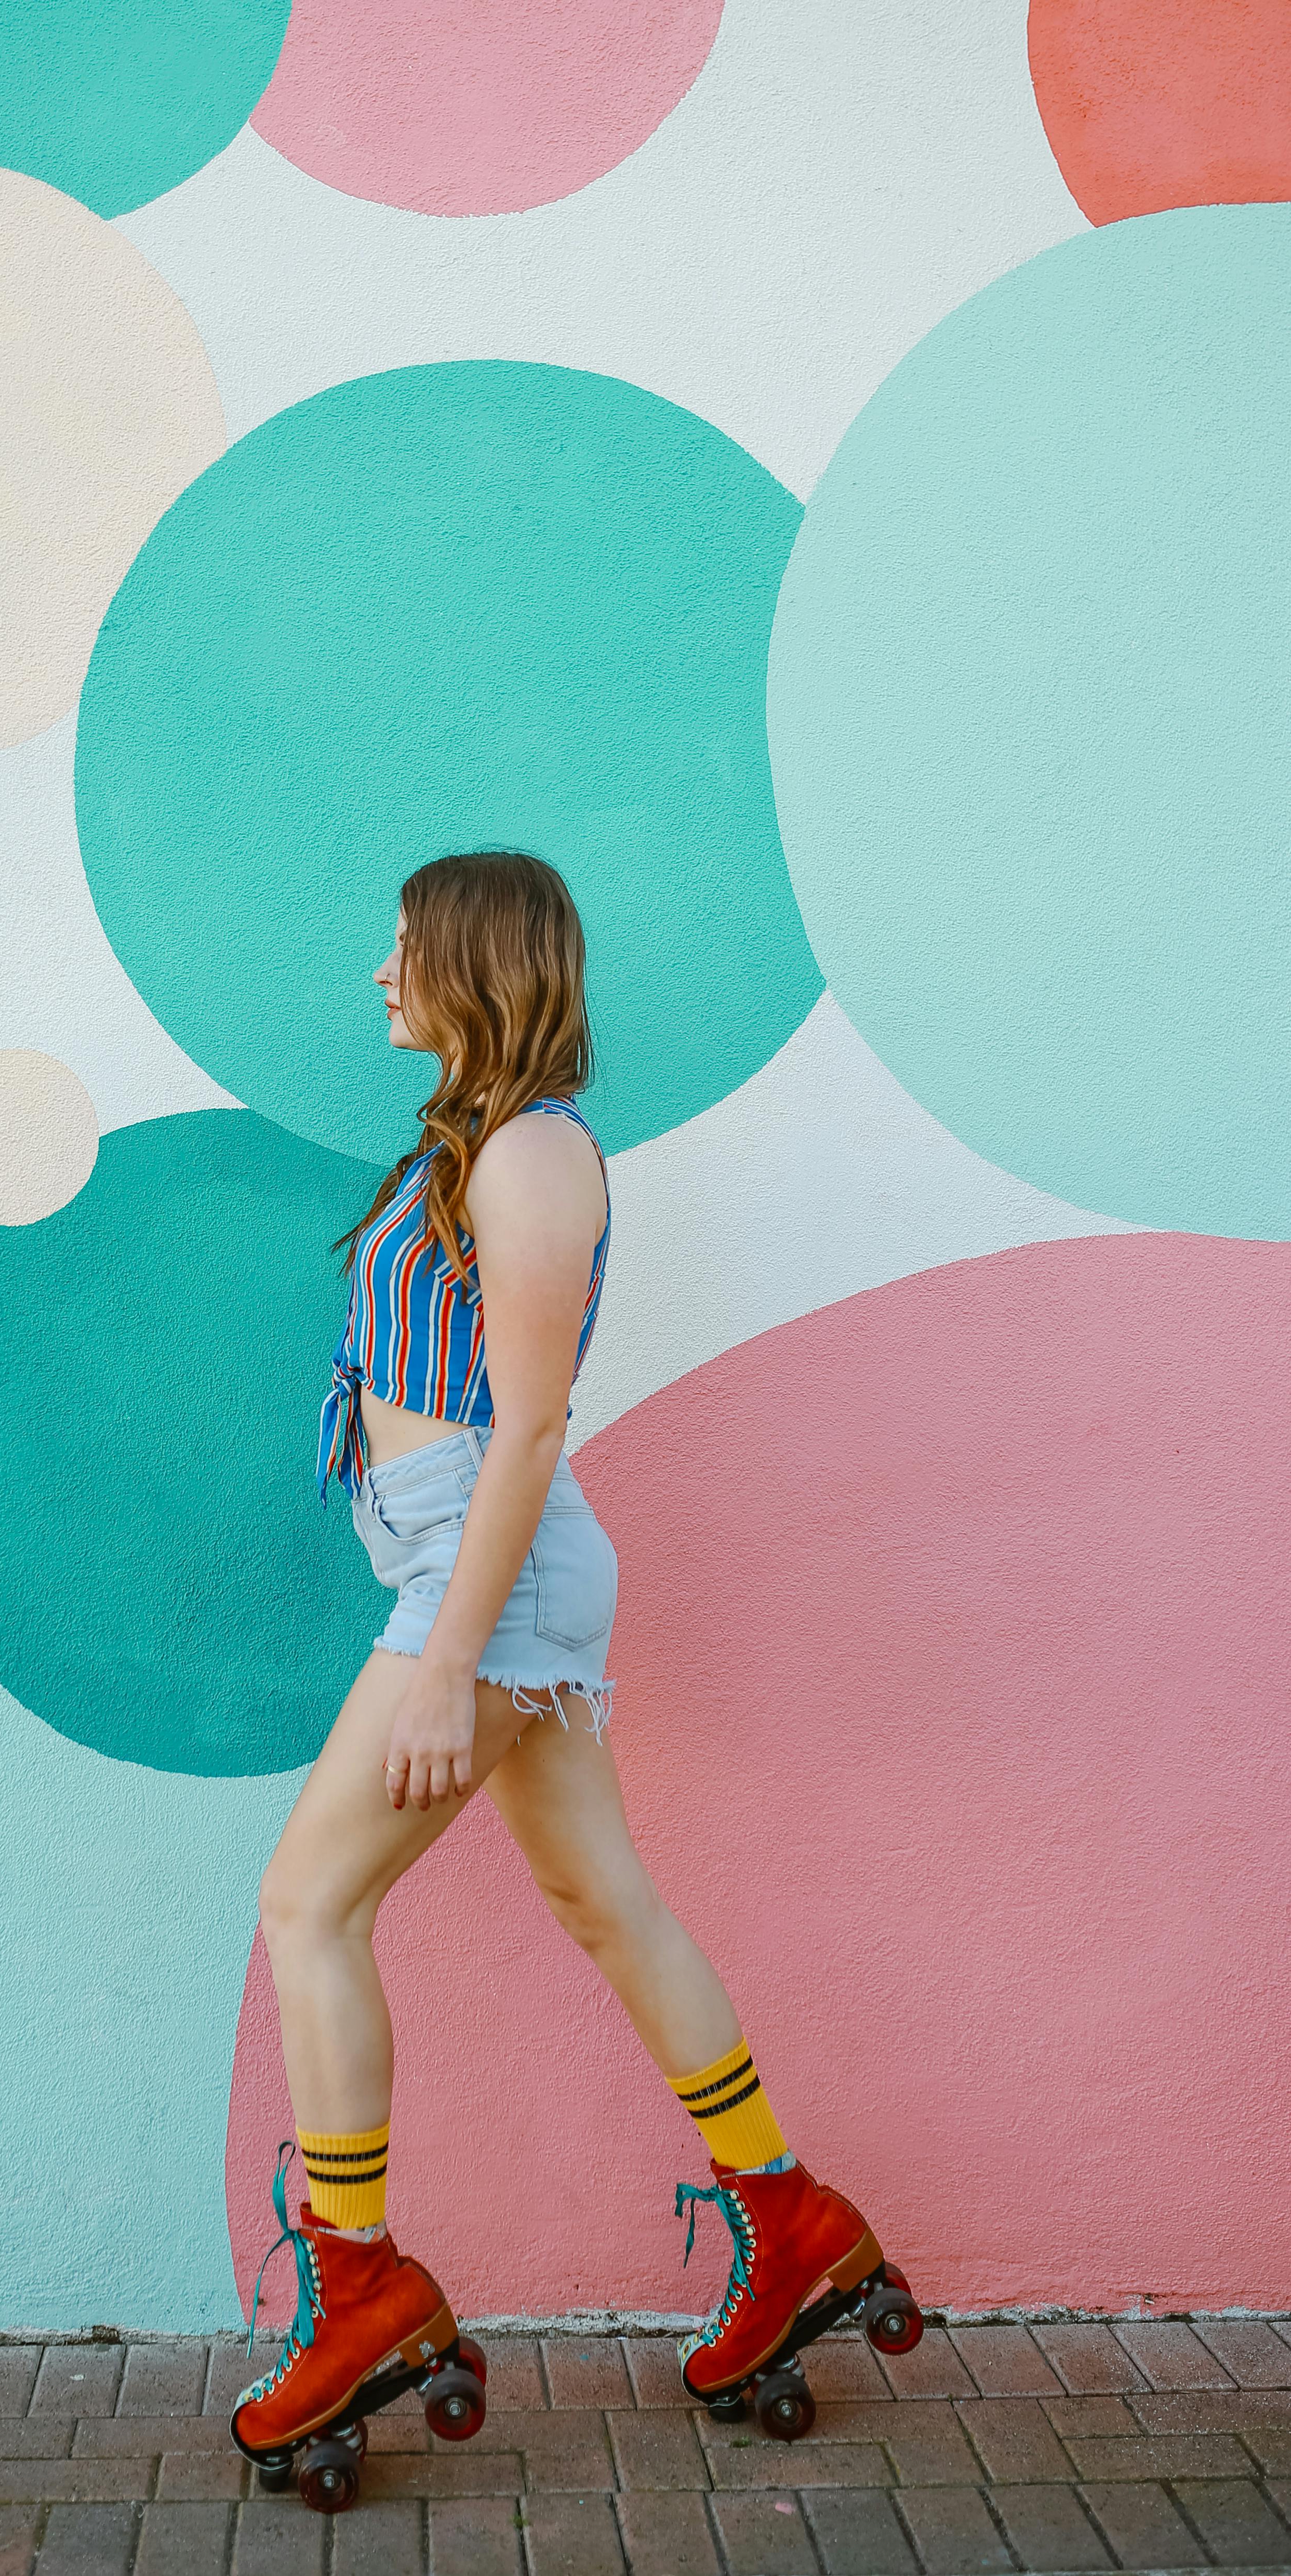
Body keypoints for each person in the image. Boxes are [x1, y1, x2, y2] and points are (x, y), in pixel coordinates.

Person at [230, 851, 888, 2473]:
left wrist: (452, 1660)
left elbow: (526, 1425)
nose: (379, 977)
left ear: (473, 965)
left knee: (310, 1905)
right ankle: (791, 2218)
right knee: (606, 1900)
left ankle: (361, 2283)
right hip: (476, 1566)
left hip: (486, 1573)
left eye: (402, 952)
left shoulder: (529, 1157)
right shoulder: (473, 1146)